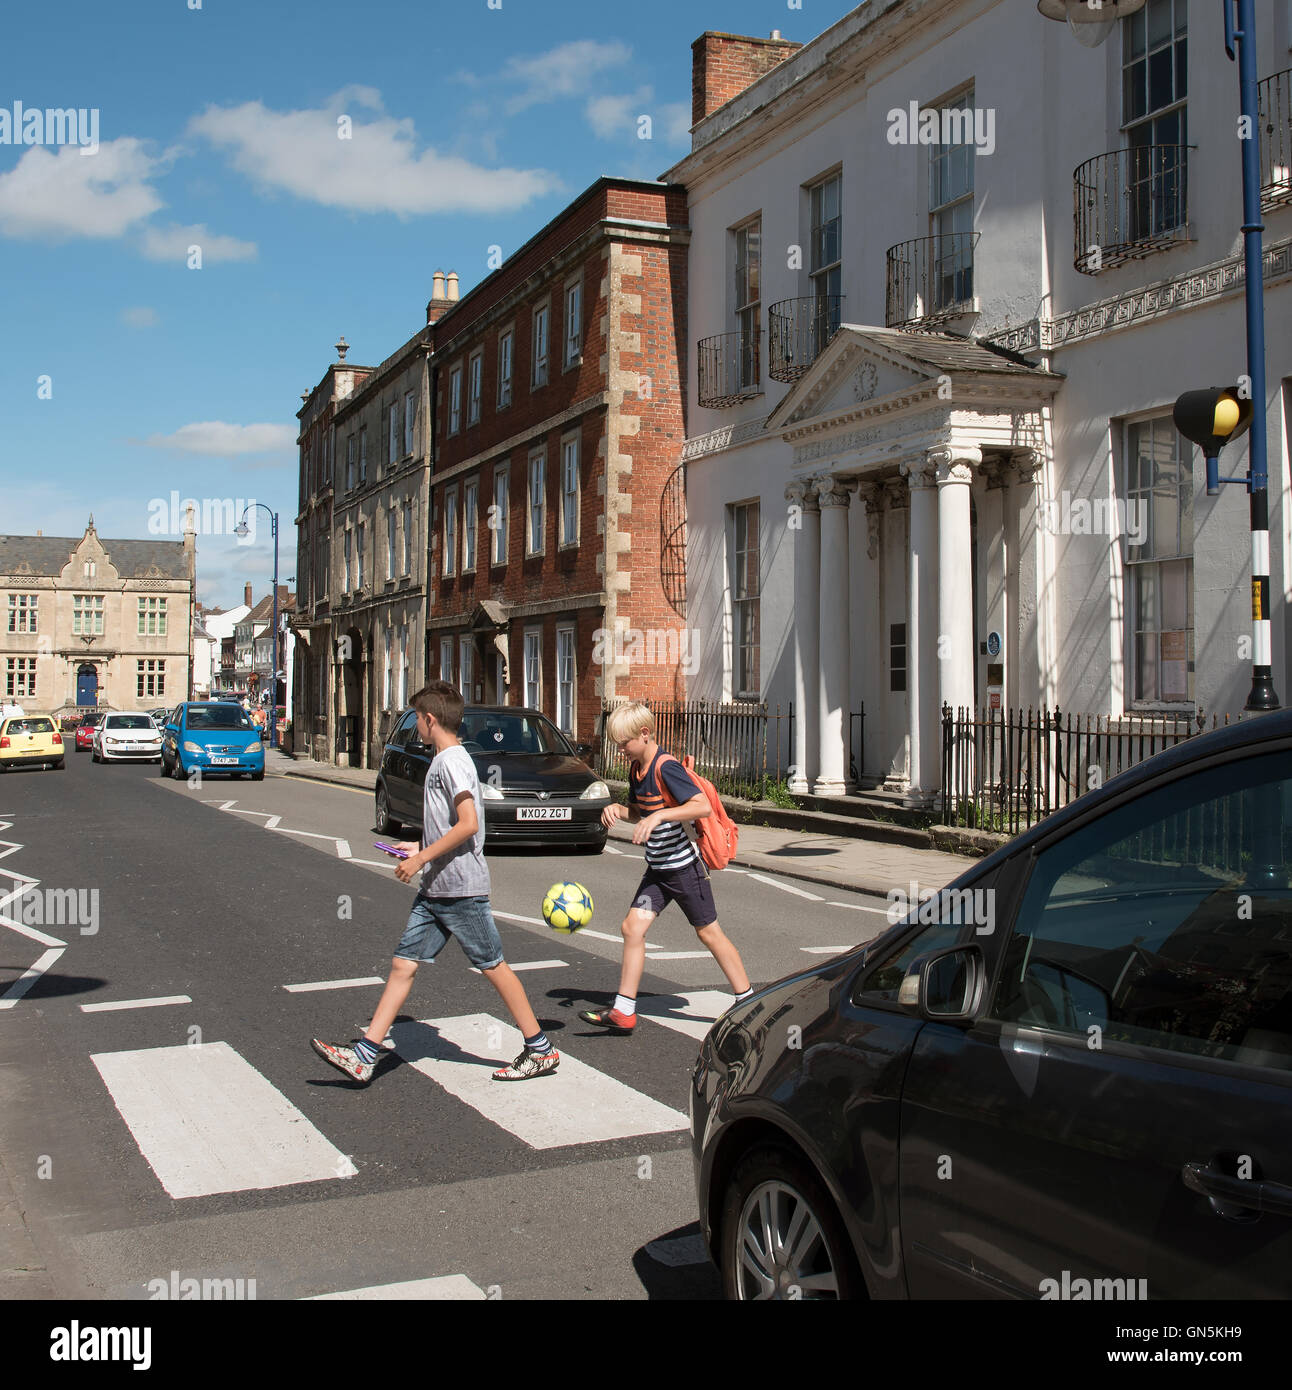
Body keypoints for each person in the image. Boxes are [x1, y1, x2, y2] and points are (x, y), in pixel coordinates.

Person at [311, 680, 559, 1083]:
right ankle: (364, 1054)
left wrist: (423, 856)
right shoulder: (448, 759)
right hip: (438, 888)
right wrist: (418, 845)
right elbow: (451, 825)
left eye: (417, 721)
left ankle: (540, 1049)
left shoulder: (451, 762)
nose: (416, 729)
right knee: (403, 964)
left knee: (493, 965)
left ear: (429, 719)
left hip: (460, 889)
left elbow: (469, 824)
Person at [580, 702, 753, 1033]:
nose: (620, 749)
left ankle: (747, 1000)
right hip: (658, 872)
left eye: (624, 742)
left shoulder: (667, 767)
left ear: (644, 734)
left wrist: (660, 815)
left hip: (685, 870)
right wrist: (618, 809)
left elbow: (700, 806)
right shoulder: (636, 770)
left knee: (708, 933)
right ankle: (624, 1011)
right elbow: (641, 812)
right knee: (632, 928)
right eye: (617, 743)